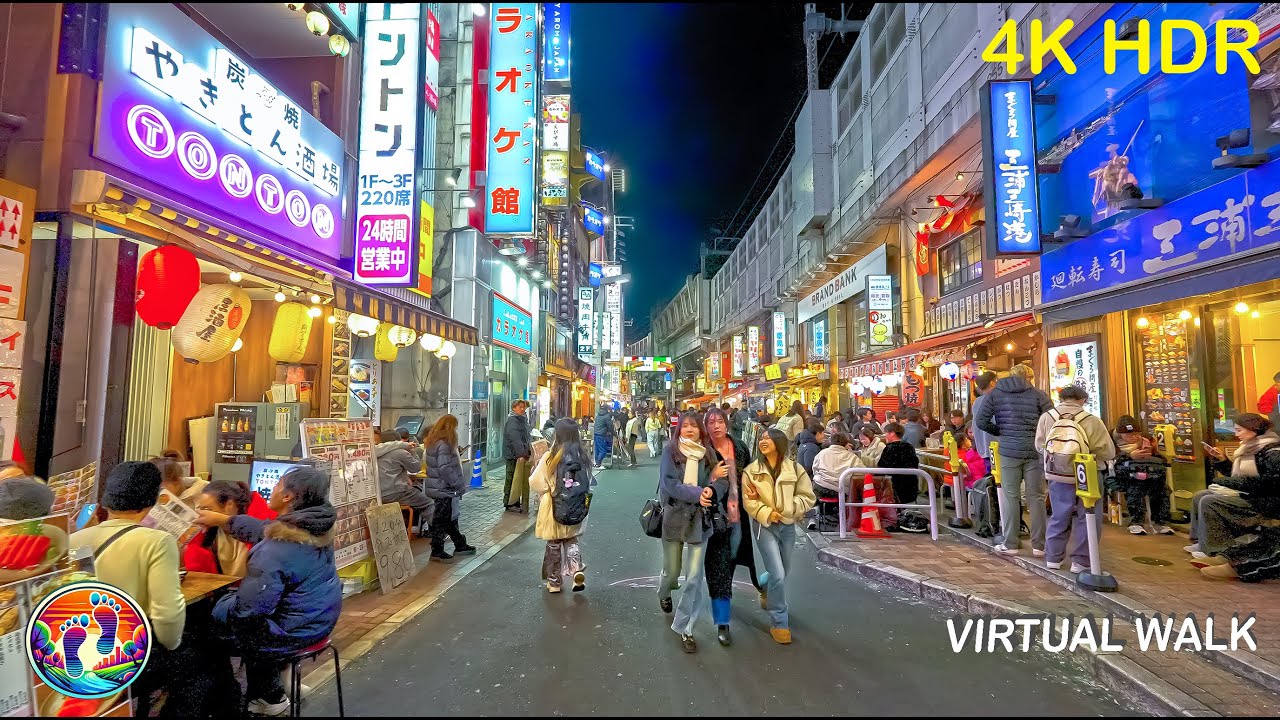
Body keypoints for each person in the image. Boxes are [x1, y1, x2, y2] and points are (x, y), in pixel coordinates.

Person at [199, 465, 341, 716]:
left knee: (208, 633)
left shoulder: (273, 551)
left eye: (277, 485)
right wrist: (224, 521)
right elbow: (263, 529)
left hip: (292, 632)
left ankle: (260, 698)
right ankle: (273, 687)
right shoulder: (312, 527)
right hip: (319, 619)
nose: (271, 489)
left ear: (288, 496)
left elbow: (249, 611)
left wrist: (220, 604)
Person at [69, 462, 202, 717]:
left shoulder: (74, 540)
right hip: (128, 657)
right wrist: (171, 645)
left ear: (106, 501)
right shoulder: (157, 541)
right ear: (152, 502)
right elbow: (167, 613)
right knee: (201, 661)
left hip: (80, 651)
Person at [657, 411, 728, 653]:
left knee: (695, 578)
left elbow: (722, 480)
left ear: (701, 430)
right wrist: (698, 493)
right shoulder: (670, 451)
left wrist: (712, 490)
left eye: (694, 426)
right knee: (672, 572)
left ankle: (686, 627)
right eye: (685, 426)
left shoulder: (708, 452)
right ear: (679, 429)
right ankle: (664, 591)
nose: (689, 430)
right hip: (674, 517)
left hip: (700, 520)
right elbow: (669, 484)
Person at [741, 428, 816, 645]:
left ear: (779, 443)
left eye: (768, 438)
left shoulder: (794, 469)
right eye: (761, 439)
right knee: (778, 573)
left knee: (783, 571)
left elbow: (807, 497)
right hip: (764, 526)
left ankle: (763, 586)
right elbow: (750, 502)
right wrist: (766, 513)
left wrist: (789, 509)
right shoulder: (751, 471)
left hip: (788, 526)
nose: (763, 441)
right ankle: (779, 622)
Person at [976, 363, 1054, 557]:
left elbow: (980, 421)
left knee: (1011, 496)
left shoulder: (996, 394)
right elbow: (1051, 421)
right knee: (1036, 497)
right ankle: (1039, 545)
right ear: (1029, 377)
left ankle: (1010, 542)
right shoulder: (1039, 395)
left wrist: (1002, 432)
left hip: (1008, 451)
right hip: (1034, 451)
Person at [1035, 385, 1116, 573]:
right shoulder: (1092, 420)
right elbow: (1108, 451)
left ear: (1061, 398)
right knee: (1088, 515)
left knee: (1059, 513)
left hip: (1057, 473)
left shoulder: (1047, 417)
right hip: (1088, 471)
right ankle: (1081, 561)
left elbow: (1040, 445)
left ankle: (1053, 557)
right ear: (1082, 400)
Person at [703, 407, 764, 646]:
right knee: (718, 566)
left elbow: (749, 476)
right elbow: (693, 482)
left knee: (731, 560)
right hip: (714, 518)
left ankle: (728, 592)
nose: (716, 425)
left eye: (720, 421)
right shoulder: (703, 451)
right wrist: (711, 477)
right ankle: (722, 621)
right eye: (711, 422)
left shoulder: (739, 447)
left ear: (727, 424)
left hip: (739, 516)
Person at [1187, 413, 1280, 559]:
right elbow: (1237, 476)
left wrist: (1231, 484)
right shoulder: (1249, 448)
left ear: (1253, 430)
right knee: (1200, 495)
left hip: (1264, 502)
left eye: (1239, 430)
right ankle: (1201, 540)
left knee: (1210, 501)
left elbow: (1271, 484)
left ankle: (1216, 550)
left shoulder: (1272, 452)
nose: (1237, 435)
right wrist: (1222, 460)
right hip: (1249, 494)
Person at [529, 418, 592, 593]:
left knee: (554, 544)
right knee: (571, 540)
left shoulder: (552, 456)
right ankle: (576, 570)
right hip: (576, 505)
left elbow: (536, 482)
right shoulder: (583, 456)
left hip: (554, 506)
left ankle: (554, 582)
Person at [185, 479, 277, 577]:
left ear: (229, 505)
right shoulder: (209, 531)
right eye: (200, 508)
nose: (202, 513)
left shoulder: (262, 526)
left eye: (207, 509)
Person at [422, 415, 476, 560]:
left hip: (437, 486)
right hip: (443, 487)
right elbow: (445, 468)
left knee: (447, 518)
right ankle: (437, 550)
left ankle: (459, 543)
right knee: (442, 519)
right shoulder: (444, 444)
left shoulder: (433, 441)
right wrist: (457, 483)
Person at [1111, 415, 1174, 535]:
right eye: (1130, 435)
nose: (1134, 437)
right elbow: (1109, 459)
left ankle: (1161, 522)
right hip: (1126, 477)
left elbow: (1161, 458)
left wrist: (1151, 456)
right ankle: (1136, 522)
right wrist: (1129, 456)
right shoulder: (1111, 441)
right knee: (1136, 489)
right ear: (1120, 434)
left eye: (1137, 434)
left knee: (1163, 490)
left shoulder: (1147, 441)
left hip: (1150, 475)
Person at [376, 428, 434, 524]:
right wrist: (411, 450)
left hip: (378, 494)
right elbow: (416, 467)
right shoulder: (400, 452)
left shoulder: (375, 452)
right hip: (396, 492)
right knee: (428, 503)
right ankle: (435, 532)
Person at [811, 432, 861, 530]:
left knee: (814, 485)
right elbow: (861, 472)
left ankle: (814, 513)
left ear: (831, 441)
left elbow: (814, 469)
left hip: (821, 488)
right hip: (841, 491)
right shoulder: (852, 456)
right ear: (846, 443)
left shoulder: (822, 453)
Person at [878, 422, 919, 528]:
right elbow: (914, 463)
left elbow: (882, 466)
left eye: (886, 433)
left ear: (892, 433)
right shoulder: (909, 447)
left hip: (894, 485)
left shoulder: (889, 448)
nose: (885, 435)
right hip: (910, 484)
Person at [503, 400, 533, 511]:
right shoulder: (513, 421)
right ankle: (509, 503)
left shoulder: (521, 420)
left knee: (518, 480)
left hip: (519, 455)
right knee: (511, 479)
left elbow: (525, 438)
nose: (523, 409)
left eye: (524, 407)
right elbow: (515, 439)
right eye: (520, 407)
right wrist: (521, 453)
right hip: (513, 456)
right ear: (514, 408)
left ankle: (515, 502)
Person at [970, 371, 998, 474]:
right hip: (998, 446)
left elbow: (975, 425)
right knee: (999, 479)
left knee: (990, 476)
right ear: (992, 383)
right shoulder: (996, 399)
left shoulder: (977, 401)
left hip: (983, 446)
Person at [593, 403, 615, 470]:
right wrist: (613, 433)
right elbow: (610, 426)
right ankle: (598, 464)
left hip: (596, 433)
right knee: (603, 450)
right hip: (601, 434)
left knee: (597, 450)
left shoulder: (598, 415)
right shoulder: (607, 416)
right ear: (607, 409)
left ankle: (596, 463)